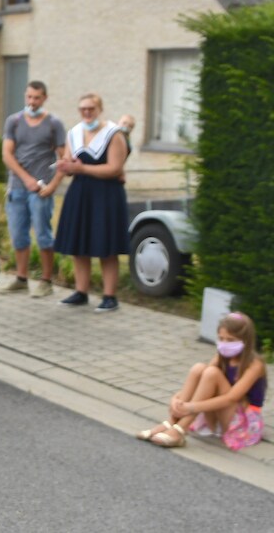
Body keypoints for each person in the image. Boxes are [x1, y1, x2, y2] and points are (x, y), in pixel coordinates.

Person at [136, 312, 267, 449]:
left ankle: (180, 429)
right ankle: (173, 422)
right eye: (221, 339)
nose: (224, 344)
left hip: (242, 424)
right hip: (218, 416)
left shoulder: (255, 364)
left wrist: (191, 407)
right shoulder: (222, 356)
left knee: (212, 373)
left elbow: (231, 398)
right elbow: (202, 383)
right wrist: (177, 399)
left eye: (230, 340)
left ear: (246, 341)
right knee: (199, 369)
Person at [52, 93, 129, 312]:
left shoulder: (113, 134)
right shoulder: (74, 133)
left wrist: (81, 168)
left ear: (99, 109)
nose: (86, 113)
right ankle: (81, 291)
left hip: (106, 194)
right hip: (81, 192)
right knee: (80, 244)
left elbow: (115, 168)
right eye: (83, 109)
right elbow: (69, 163)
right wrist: (66, 167)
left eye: (91, 109)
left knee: (106, 246)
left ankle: (109, 296)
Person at [0, 80, 66, 298]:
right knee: (18, 235)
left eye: (37, 98)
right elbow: (7, 155)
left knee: (44, 235)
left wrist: (53, 186)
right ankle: (21, 278)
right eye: (29, 97)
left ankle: (46, 281)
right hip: (17, 188)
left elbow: (64, 158)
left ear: (44, 98)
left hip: (41, 189)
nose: (32, 102)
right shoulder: (14, 121)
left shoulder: (54, 124)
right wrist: (26, 179)